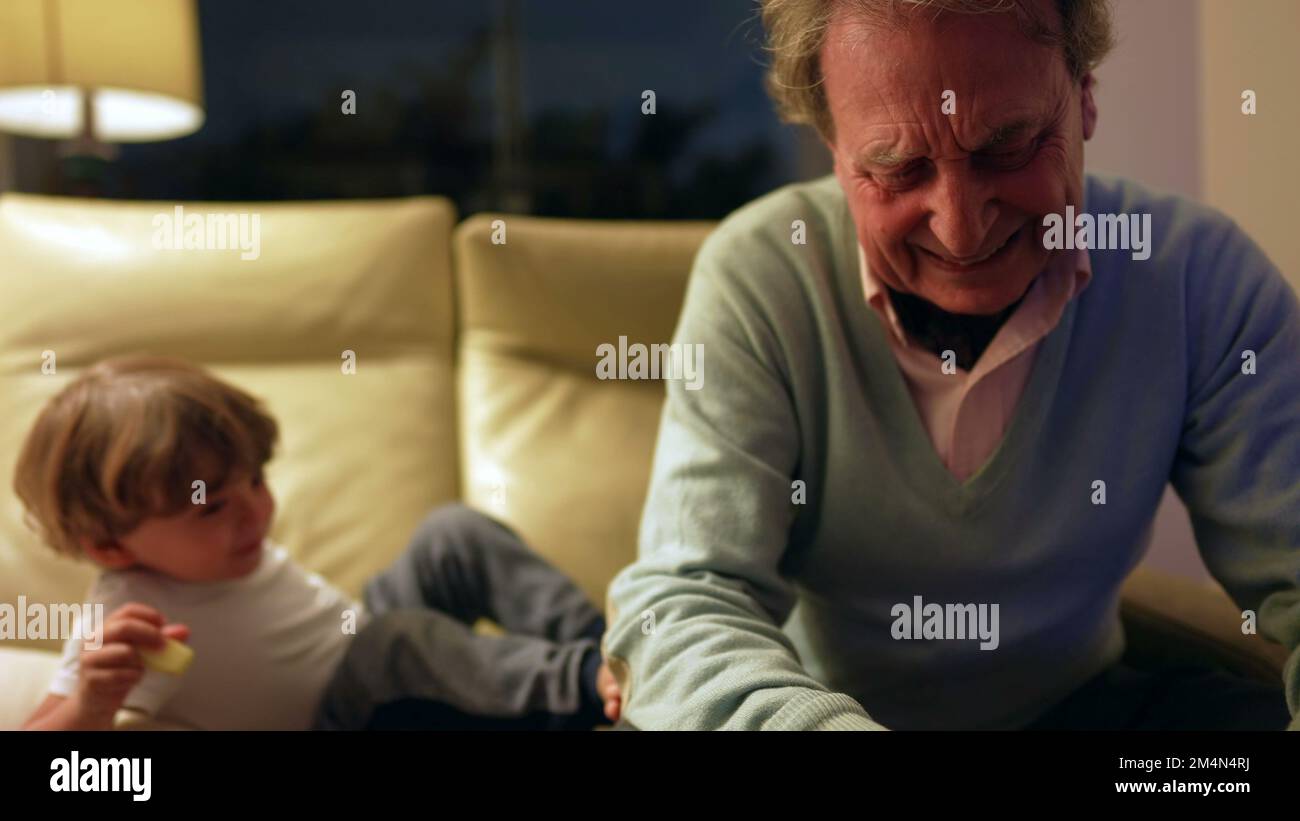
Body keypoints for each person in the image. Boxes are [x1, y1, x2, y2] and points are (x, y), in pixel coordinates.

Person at [602, 0, 1300, 730]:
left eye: (1009, 146)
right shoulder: (761, 281)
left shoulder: (1195, 277)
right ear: (833, 149)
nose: (962, 228)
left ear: (1085, 95)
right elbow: (684, 598)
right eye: (897, 169)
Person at [16, 354, 620, 731]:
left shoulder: (225, 552)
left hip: (370, 654)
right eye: (214, 507)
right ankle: (587, 682)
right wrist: (92, 704)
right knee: (390, 645)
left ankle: (617, 654)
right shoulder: (129, 620)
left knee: (449, 535)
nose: (256, 512)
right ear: (111, 547)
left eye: (256, 479)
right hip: (341, 715)